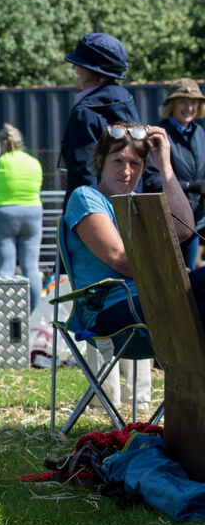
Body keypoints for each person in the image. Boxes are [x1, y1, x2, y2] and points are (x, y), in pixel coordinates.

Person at [64, 122, 201, 412]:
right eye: (118, 161)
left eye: (135, 164)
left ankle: (191, 416)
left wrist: (164, 165)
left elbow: (183, 230)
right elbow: (120, 259)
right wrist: (174, 275)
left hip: (150, 301)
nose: (126, 171)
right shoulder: (86, 198)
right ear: (100, 161)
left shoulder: (138, 203)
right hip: (110, 310)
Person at [60, 32, 140, 207]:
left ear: (93, 71)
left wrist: (76, 215)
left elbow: (82, 172)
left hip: (95, 213)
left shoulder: (86, 111)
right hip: (130, 208)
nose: (74, 68)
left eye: (79, 64)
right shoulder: (126, 102)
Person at [142, 78, 205, 268]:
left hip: (195, 221)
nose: (189, 108)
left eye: (193, 102)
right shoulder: (158, 135)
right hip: (168, 221)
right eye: (183, 102)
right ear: (171, 105)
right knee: (170, 277)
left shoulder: (200, 133)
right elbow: (150, 180)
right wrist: (188, 186)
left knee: (191, 280)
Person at [0, 124, 45, 312]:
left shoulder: (0, 161)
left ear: (3, 144)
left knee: (5, 268)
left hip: (4, 214)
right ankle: (34, 313)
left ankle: (5, 313)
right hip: (32, 213)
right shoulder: (34, 162)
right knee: (31, 267)